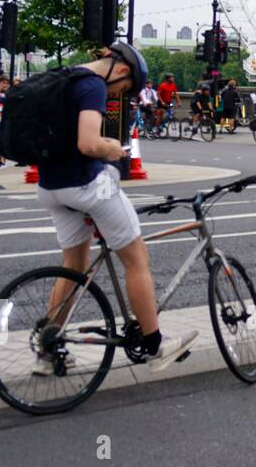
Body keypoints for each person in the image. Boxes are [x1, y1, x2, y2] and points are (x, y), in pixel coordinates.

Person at [33, 42, 197, 373]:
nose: (120, 95)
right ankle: (154, 345)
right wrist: (112, 149)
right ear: (121, 69)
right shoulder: (93, 85)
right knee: (136, 259)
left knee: (74, 267)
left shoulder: (62, 78)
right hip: (87, 185)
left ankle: (49, 350)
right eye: (124, 89)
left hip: (51, 186)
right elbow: (88, 143)